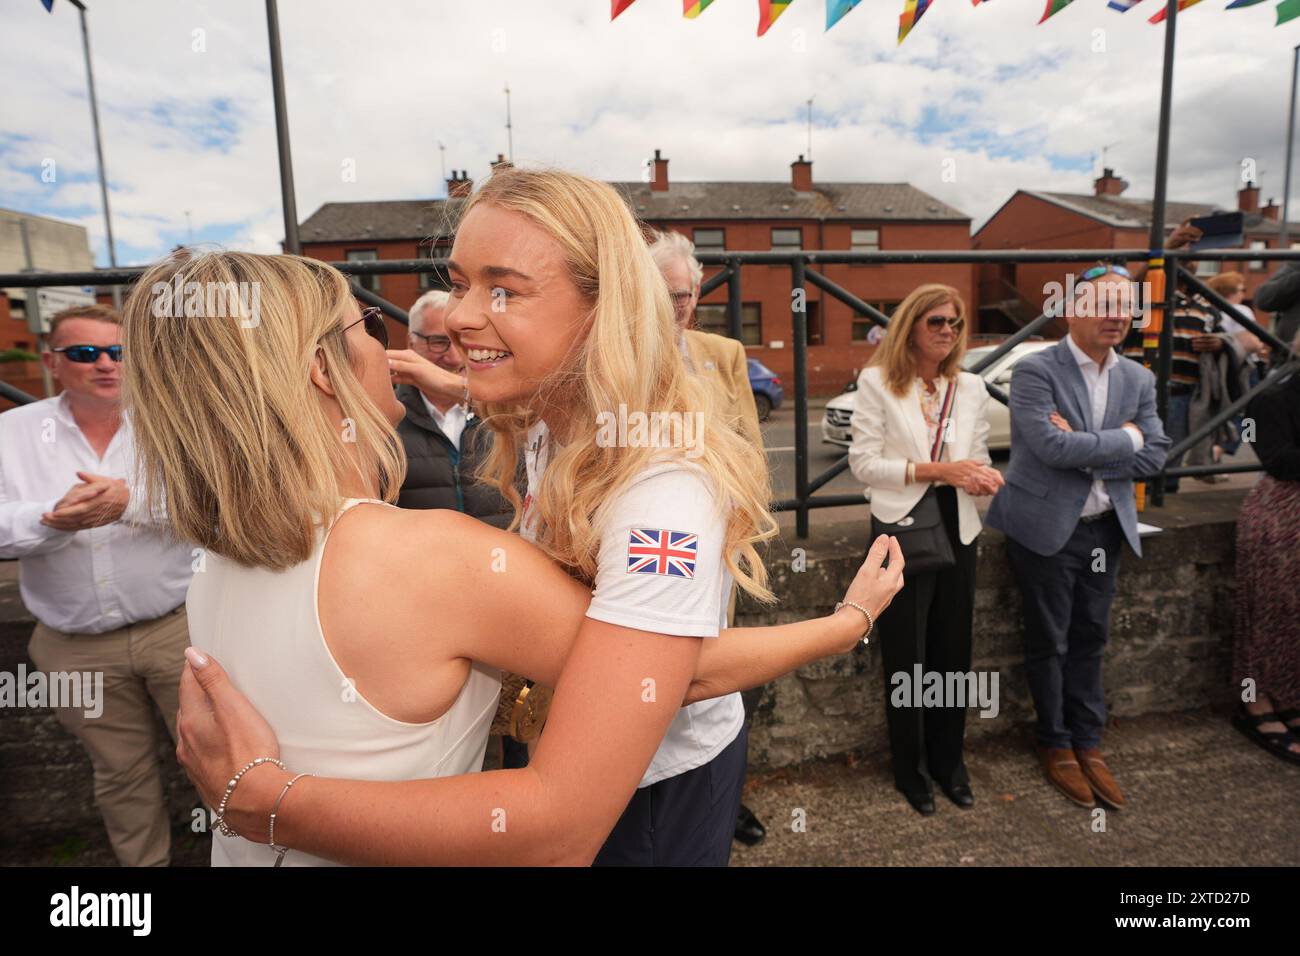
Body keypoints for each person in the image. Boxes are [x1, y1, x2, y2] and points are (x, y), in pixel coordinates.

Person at [137, 183, 904, 866]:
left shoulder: (661, 491)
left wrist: (849, 622)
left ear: (602, 311)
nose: (458, 316)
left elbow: (667, 678)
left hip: (653, 783)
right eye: (462, 284)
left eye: (503, 290)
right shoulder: (537, 427)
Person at [0, 304, 193, 866]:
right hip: (75, 643)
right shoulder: (11, 433)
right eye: (85, 354)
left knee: (219, 761)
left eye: (120, 352)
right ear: (51, 361)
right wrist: (49, 519)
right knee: (119, 775)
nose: (106, 365)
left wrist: (128, 502)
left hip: (177, 630)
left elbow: (207, 506)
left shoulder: (171, 423)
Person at [988, 267, 1170, 811]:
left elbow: (1156, 454)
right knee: (1050, 639)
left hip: (1104, 530)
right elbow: (1049, 449)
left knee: (1091, 635)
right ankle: (1056, 742)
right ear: (1073, 311)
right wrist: (1125, 439)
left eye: (1126, 305)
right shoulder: (1036, 369)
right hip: (1045, 529)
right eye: (1105, 304)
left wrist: (1097, 441)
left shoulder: (1138, 378)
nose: (1118, 315)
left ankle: (1089, 740)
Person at [847, 284, 1003, 815]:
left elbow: (975, 453)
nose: (947, 331)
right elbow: (864, 465)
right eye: (936, 321)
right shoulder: (877, 383)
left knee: (951, 653)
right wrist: (939, 470)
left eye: (956, 323)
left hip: (957, 529)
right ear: (911, 325)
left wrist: (980, 477)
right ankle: (909, 769)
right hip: (900, 530)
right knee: (906, 654)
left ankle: (948, 762)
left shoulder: (972, 387)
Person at [649, 227, 766, 845]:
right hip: (657, 550)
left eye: (687, 295)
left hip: (721, 548)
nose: (679, 308)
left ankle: (726, 790)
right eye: (665, 296)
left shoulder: (723, 353)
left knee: (718, 674)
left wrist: (737, 516)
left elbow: (750, 448)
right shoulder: (622, 357)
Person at [1230, 329, 1300, 764]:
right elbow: (1279, 460)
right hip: (1281, 520)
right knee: (1269, 614)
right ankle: (1256, 704)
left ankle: (1292, 698)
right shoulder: (1269, 399)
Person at [386, 289, 509, 525]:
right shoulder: (385, 420)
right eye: (439, 342)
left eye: (463, 341)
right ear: (410, 342)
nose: (453, 357)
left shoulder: (506, 416)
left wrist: (464, 389)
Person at [649, 228, 763, 445]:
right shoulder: (618, 361)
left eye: (678, 296)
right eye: (657, 295)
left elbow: (752, 447)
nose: (666, 307)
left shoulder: (727, 354)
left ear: (696, 292)